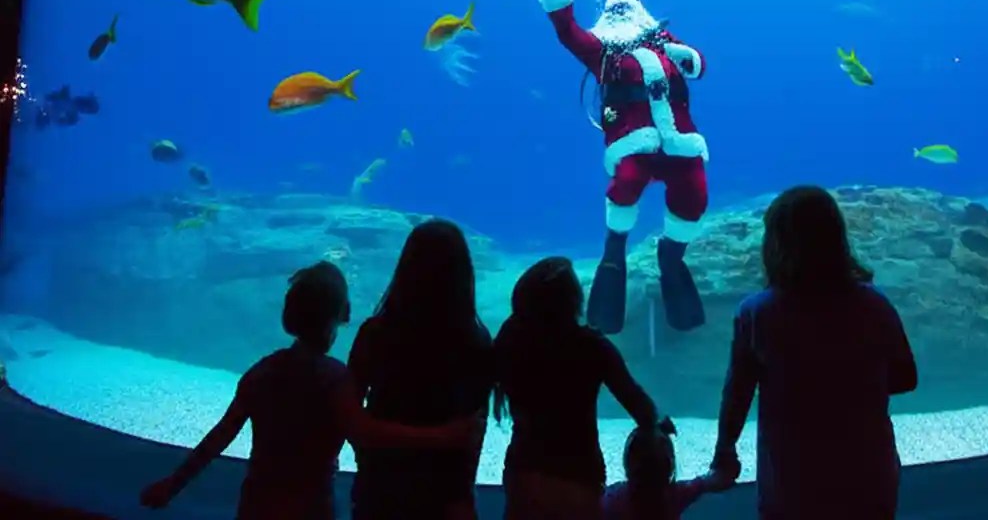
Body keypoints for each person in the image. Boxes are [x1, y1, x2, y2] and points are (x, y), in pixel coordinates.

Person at [139, 261, 481, 520]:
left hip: (256, 503)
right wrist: (441, 436)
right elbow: (367, 434)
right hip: (310, 508)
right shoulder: (335, 380)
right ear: (341, 314)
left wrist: (174, 483)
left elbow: (220, 436)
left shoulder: (262, 371)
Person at [709, 186, 918, 520]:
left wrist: (725, 451)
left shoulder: (756, 314)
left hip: (792, 484)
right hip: (868, 477)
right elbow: (907, 377)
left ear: (775, 245)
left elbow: (738, 393)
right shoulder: (875, 305)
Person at [537, 0, 709, 334]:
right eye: (616, 8)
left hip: (680, 142)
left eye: (627, 6)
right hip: (633, 143)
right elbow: (569, 34)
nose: (622, 12)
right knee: (626, 185)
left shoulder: (664, 42)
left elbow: (698, 66)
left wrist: (686, 56)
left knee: (694, 195)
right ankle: (614, 253)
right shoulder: (602, 52)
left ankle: (672, 257)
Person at [493, 256, 675, 520]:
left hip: (524, 472)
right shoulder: (592, 346)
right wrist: (657, 428)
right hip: (578, 476)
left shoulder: (510, 339)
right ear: (572, 299)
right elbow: (638, 404)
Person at [348, 220, 495, 520]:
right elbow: (472, 432)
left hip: (380, 486)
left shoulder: (376, 332)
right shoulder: (476, 341)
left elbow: (350, 416)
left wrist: (373, 449)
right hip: (443, 494)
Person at [601, 425, 733, 520]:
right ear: (669, 467)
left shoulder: (613, 497)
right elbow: (716, 478)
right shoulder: (675, 494)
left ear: (627, 463)